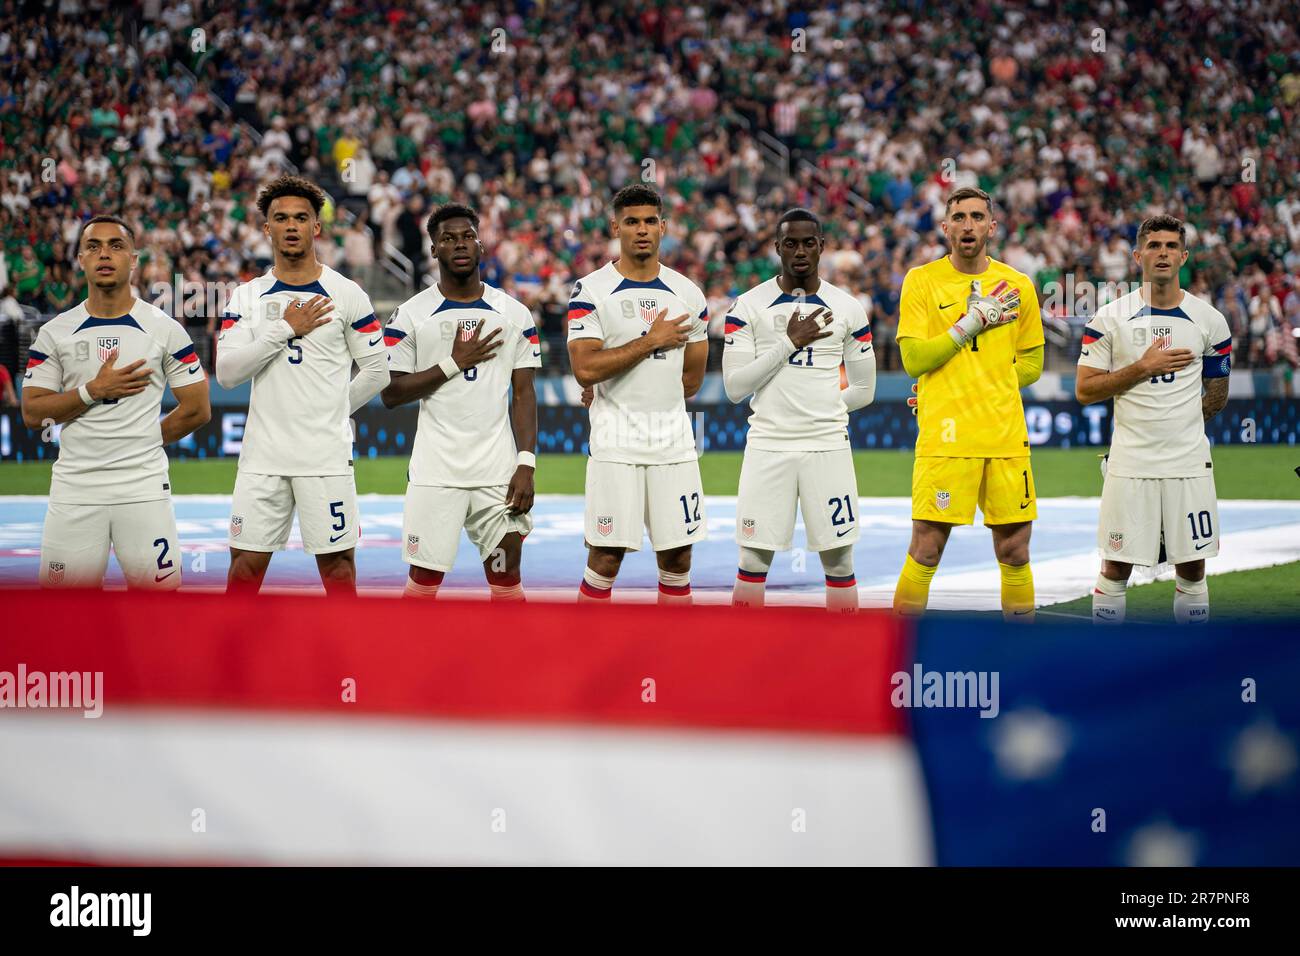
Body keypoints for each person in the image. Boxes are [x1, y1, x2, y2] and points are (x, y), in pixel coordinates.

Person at [215, 175, 389, 595]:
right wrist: (282, 330)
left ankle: (347, 663)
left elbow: (378, 371)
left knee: (339, 571)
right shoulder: (245, 297)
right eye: (280, 218)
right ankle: (230, 662)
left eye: (300, 218)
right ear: (266, 228)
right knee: (244, 569)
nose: (290, 226)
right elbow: (227, 372)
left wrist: (331, 410)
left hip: (324, 457)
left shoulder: (347, 294)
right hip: (263, 456)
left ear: (317, 227)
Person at [20, 215, 210, 588]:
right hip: (75, 489)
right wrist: (94, 391)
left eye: (116, 245)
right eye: (93, 246)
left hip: (143, 488)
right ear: (80, 259)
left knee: (160, 610)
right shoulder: (54, 332)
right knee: (65, 616)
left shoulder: (164, 328)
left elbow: (197, 407)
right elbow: (32, 412)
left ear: (134, 259)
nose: (104, 254)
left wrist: (146, 441)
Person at [892, 186, 1044, 620]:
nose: (968, 225)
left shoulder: (1018, 286)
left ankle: (1020, 654)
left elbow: (1032, 363)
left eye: (977, 217)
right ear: (945, 227)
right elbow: (913, 359)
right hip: (946, 437)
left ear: (992, 227)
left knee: (1015, 550)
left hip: (1004, 435)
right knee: (926, 548)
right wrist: (971, 323)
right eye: (959, 217)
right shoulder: (921, 280)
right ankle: (896, 653)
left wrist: (984, 384)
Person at [1076, 215, 1232, 624]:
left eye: (1169, 246)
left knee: (1193, 569)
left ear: (1183, 255)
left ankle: (1188, 665)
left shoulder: (1211, 321)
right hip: (1130, 464)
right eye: (1153, 245)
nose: (1162, 253)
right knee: (1115, 568)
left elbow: (1217, 395)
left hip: (1188, 464)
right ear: (1137, 255)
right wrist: (1142, 368)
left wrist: (1179, 425)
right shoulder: (1108, 319)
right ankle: (1109, 666)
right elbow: (1085, 390)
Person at [380, 203, 540, 600]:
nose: (460, 244)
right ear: (434, 250)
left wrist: (526, 463)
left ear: (481, 244)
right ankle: (406, 663)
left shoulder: (515, 314)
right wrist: (453, 362)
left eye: (467, 235)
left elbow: (524, 394)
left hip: (497, 474)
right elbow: (390, 393)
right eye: (447, 239)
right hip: (436, 473)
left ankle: (513, 664)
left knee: (506, 578)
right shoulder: (410, 315)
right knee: (424, 582)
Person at [722, 208, 877, 612]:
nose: (801, 251)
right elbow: (735, 388)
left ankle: (844, 661)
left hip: (826, 446)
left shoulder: (848, 308)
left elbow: (864, 389)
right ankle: (745, 659)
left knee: (840, 560)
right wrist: (789, 342)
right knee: (752, 559)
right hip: (768, 445)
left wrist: (822, 410)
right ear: (777, 248)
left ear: (823, 246)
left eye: (810, 242)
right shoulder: (747, 306)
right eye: (791, 243)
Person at [567, 184, 710, 605]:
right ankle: (587, 660)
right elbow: (585, 368)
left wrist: (638, 381)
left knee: (679, 558)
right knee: (606, 558)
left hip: (674, 447)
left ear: (664, 227)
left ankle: (673, 659)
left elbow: (691, 380)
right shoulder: (590, 290)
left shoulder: (688, 294)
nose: (642, 230)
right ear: (616, 227)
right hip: (616, 447)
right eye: (632, 222)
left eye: (650, 221)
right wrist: (651, 341)